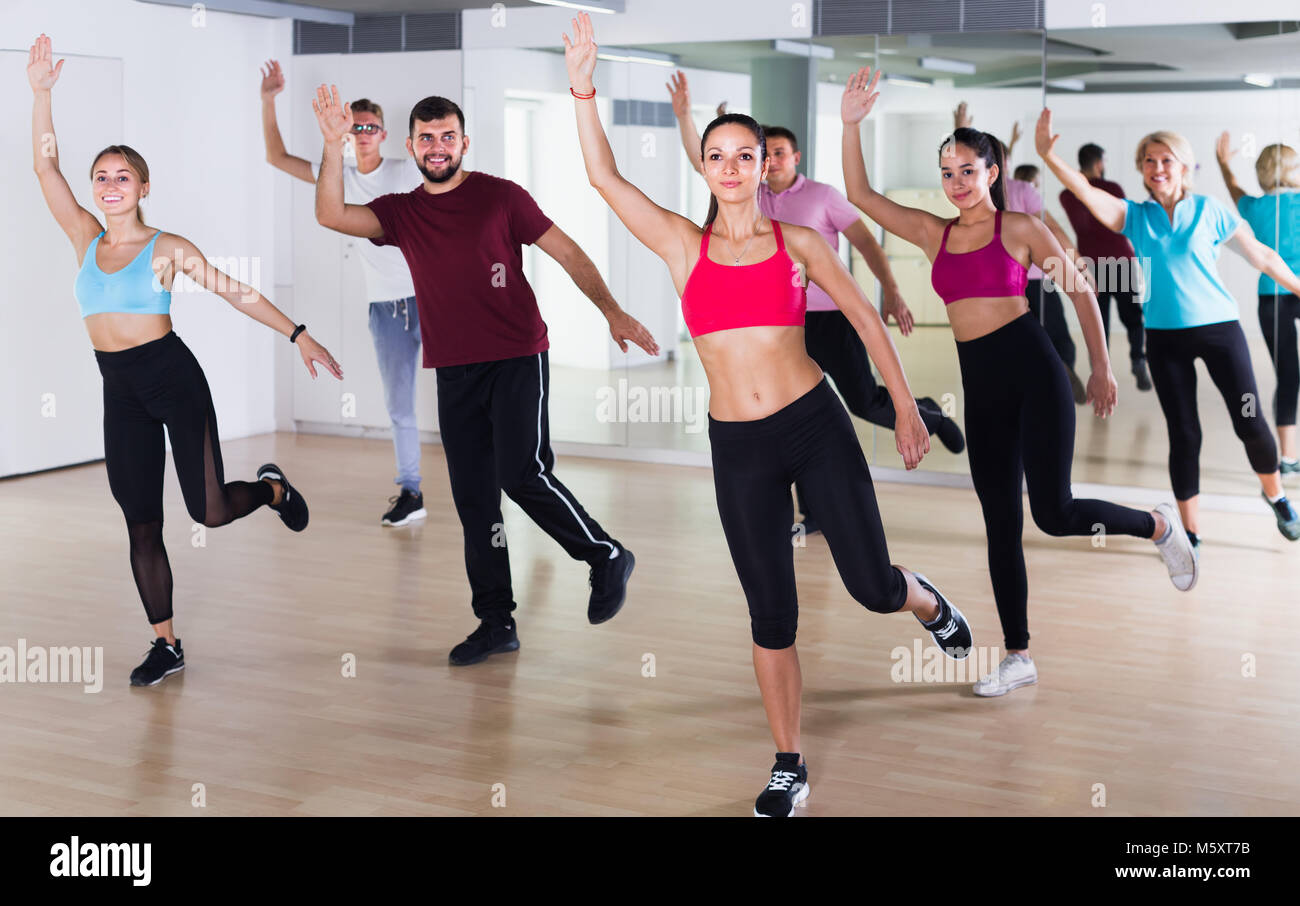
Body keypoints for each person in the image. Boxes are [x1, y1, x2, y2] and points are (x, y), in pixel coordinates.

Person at [565, 15, 973, 817]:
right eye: (715, 156)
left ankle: (928, 603)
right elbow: (604, 180)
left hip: (814, 425)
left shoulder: (798, 243)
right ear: (705, 167)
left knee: (869, 584)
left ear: (763, 166)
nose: (729, 166)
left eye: (743, 155)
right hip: (739, 446)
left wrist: (902, 407)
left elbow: (860, 317)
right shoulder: (684, 244)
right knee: (771, 611)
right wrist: (583, 85)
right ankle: (789, 760)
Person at [843, 69, 1198, 698]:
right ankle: (1018, 654)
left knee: (1054, 513)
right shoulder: (935, 233)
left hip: (1035, 372)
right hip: (981, 385)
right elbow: (863, 195)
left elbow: (1082, 291)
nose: (956, 183)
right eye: (947, 172)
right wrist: (850, 125)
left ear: (993, 171)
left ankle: (1158, 526)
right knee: (999, 521)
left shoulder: (1022, 230)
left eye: (968, 171)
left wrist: (1102, 364)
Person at [28, 35, 342, 686]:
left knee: (209, 512)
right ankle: (166, 643)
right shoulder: (84, 236)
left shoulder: (166, 246)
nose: (110, 185)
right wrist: (41, 96)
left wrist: (299, 334)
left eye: (122, 176)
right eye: (102, 177)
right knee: (141, 521)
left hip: (173, 380)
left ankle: (272, 489)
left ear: (143, 186)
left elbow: (237, 292)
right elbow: (44, 170)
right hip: (120, 391)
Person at [309, 83, 652, 665]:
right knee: (474, 502)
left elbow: (568, 252)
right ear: (413, 147)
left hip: (517, 356)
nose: (437, 147)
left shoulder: (502, 198)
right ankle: (496, 621)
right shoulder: (401, 210)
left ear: (464, 142)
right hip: (454, 369)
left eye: (447, 137)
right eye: (426, 139)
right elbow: (331, 213)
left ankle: (605, 555)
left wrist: (612, 311)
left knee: (522, 474)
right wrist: (330, 145)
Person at [668, 72, 965, 535]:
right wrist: (688, 118)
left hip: (831, 319)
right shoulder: (749, 193)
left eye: (779, 152)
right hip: (784, 328)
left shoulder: (823, 198)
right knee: (790, 412)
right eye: (768, 152)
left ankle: (928, 413)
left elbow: (867, 243)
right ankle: (813, 515)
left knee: (864, 402)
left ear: (784, 158)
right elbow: (703, 161)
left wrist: (891, 291)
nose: (775, 160)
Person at [1039, 111, 1300, 544]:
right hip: (1163, 338)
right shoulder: (1134, 216)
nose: (1157, 168)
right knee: (1184, 433)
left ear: (1183, 166)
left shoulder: (1210, 210)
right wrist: (1049, 156)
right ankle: (1192, 532)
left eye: (1166, 160)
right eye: (1148, 161)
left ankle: (1276, 496)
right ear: (1141, 169)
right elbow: (1084, 191)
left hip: (1221, 331)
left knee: (1249, 421)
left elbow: (1264, 258)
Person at [260, 60, 427, 526]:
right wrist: (268, 99)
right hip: (385, 309)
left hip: (433, 301)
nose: (365, 132)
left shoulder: (407, 171)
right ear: (348, 133)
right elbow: (277, 157)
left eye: (372, 126)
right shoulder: (339, 175)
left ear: (384, 132)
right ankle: (411, 492)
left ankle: (502, 476)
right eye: (357, 127)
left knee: (469, 393)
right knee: (399, 406)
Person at [955, 102, 1090, 403]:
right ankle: (1061, 367)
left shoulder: (971, 191)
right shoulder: (1022, 189)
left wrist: (959, 127)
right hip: (1036, 276)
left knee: (1009, 338)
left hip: (997, 284)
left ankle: (1026, 380)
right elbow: (1053, 228)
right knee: (1056, 334)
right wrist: (1078, 264)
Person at [1216, 133, 1300, 475]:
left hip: (1273, 296)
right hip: (1285, 293)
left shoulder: (1253, 206)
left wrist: (1223, 163)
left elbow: (1234, 187)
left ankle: (1289, 459)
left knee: (1289, 376)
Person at [1059, 142, 1151, 391]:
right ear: (1099, 163)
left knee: (1098, 323)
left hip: (1091, 266)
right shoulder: (1112, 188)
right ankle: (1138, 361)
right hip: (1121, 261)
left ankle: (1101, 373)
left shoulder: (1066, 195)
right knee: (1134, 319)